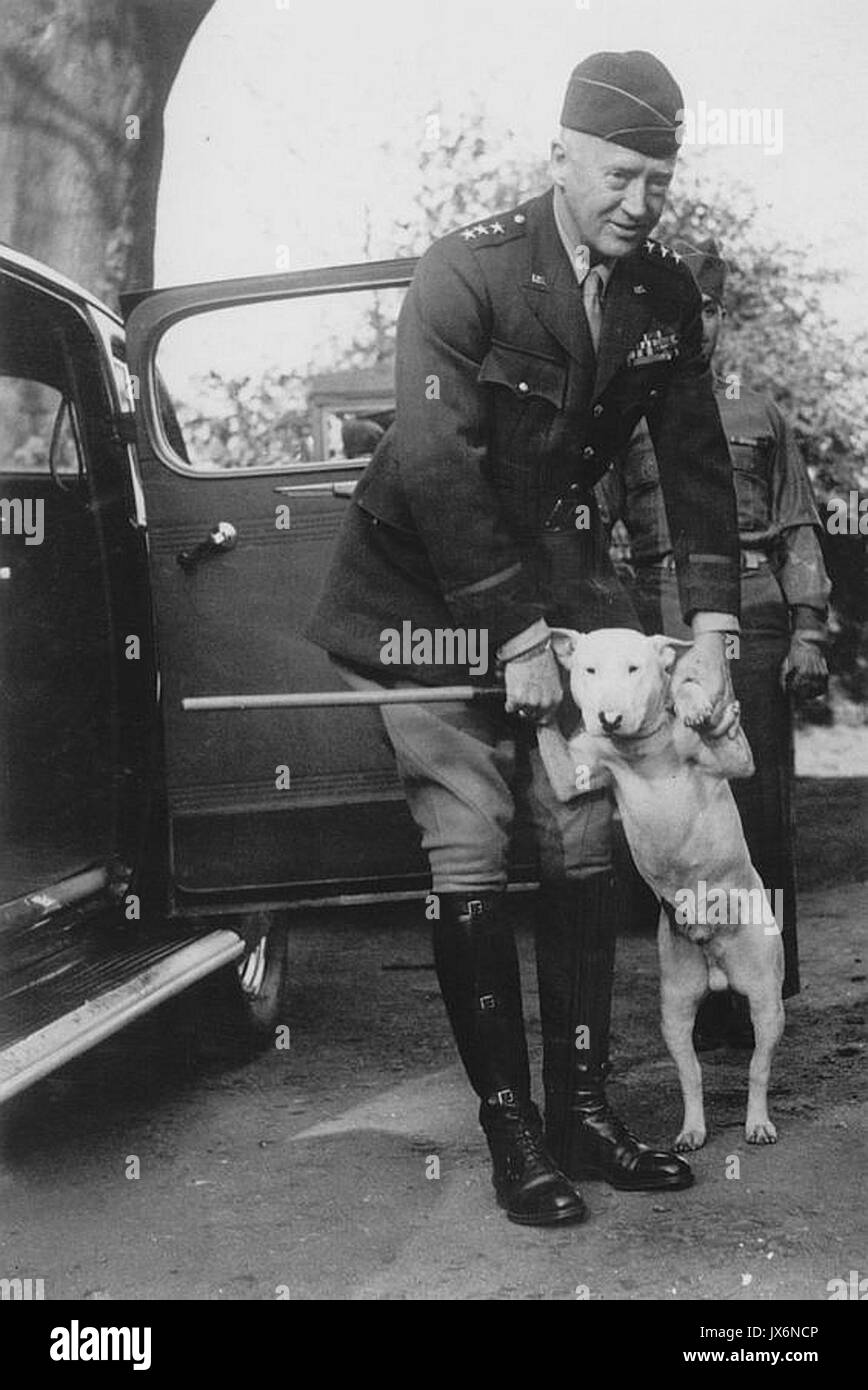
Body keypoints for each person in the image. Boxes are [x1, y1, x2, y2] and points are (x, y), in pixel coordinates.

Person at [308, 51, 743, 1227]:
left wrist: (709, 626)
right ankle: (511, 1132)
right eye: (617, 175)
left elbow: (695, 457)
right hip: (419, 593)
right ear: (560, 157)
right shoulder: (467, 270)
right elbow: (439, 466)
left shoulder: (663, 290)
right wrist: (515, 635)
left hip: (554, 582)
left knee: (582, 832)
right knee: (473, 834)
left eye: (659, 180)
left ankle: (584, 1116)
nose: (639, 204)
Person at [598, 238, 830, 1046]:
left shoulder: (758, 413)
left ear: (719, 319)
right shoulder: (621, 413)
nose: (682, 330)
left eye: (695, 314)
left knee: (754, 804)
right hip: (656, 613)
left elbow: (798, 521)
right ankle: (694, 985)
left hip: (755, 611)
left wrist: (807, 628)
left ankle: (763, 989)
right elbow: (594, 523)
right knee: (671, 809)